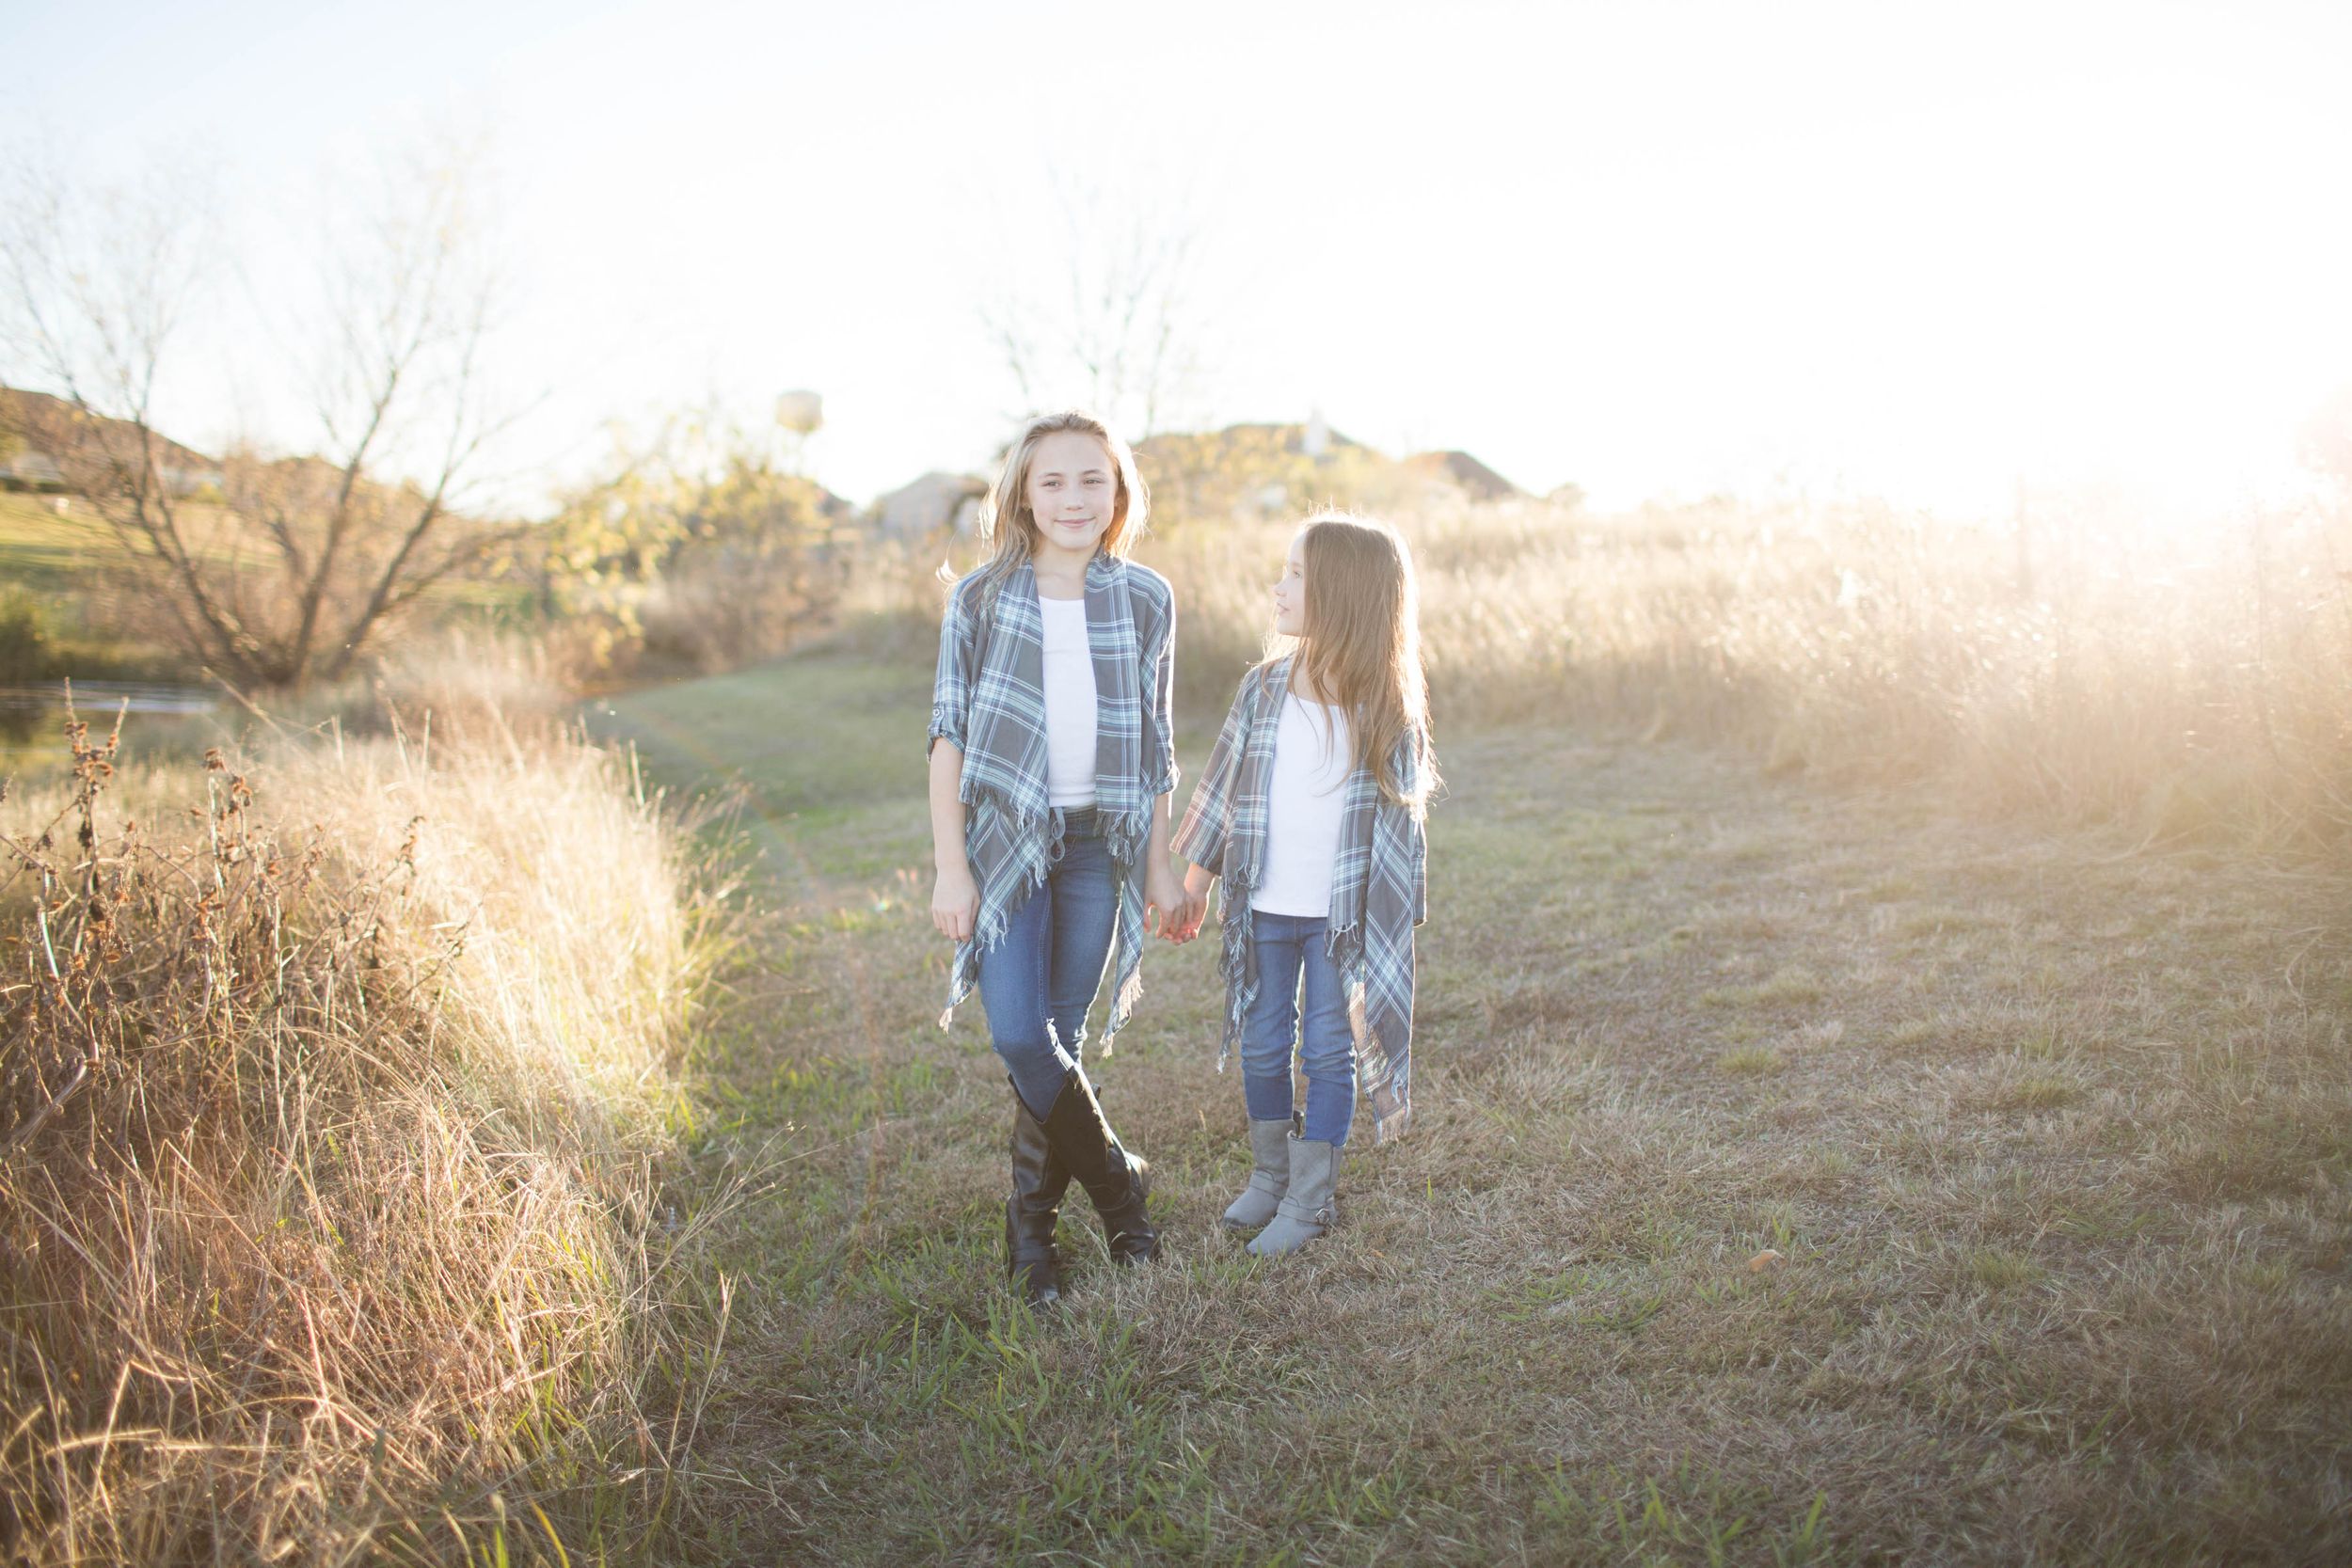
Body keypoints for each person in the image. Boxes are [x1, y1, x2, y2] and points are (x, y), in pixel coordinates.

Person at [928, 410, 1186, 1307]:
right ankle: (1121, 1190)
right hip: (1006, 845)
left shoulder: (1145, 597)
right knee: (1016, 1033)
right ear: (1023, 495)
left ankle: (1030, 1234)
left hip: (1093, 846)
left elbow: (1154, 747)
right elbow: (948, 738)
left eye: (1093, 480)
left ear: (1118, 494)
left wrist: (1158, 867)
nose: (1074, 498)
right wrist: (949, 867)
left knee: (1058, 1043)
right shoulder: (982, 598)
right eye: (1053, 481)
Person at [1168, 511, 1438, 1256]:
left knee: (1326, 1047)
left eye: (1295, 574)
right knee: (1262, 1042)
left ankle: (1312, 1198)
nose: (1277, 587)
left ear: (1342, 594)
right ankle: (1270, 1172)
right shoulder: (1262, 691)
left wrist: (1393, 918)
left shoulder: (1384, 711)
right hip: (1260, 905)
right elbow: (1222, 791)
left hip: (1337, 918)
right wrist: (1195, 881)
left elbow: (1401, 832)